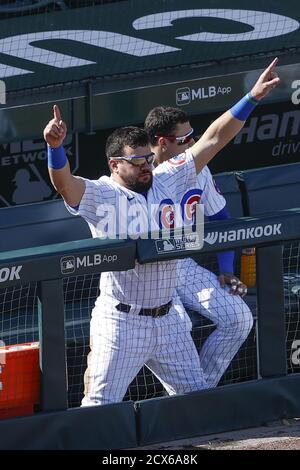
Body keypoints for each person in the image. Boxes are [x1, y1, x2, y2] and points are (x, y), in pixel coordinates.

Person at [43, 58, 279, 405]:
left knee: (195, 405)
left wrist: (252, 97)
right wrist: (54, 148)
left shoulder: (168, 176)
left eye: (147, 160)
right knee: (98, 408)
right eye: (136, 163)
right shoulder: (102, 193)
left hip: (168, 320)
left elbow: (214, 138)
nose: (145, 167)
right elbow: (64, 184)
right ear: (115, 164)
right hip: (122, 321)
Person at [144, 63, 279, 388]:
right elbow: (216, 137)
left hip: (183, 265)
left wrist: (225, 269)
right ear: (162, 142)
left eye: (193, 136)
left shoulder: (197, 170)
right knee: (176, 331)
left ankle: (199, 393)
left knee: (238, 317)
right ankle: (190, 399)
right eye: (185, 139)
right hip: (146, 273)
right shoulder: (137, 176)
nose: (192, 143)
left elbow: (221, 220)